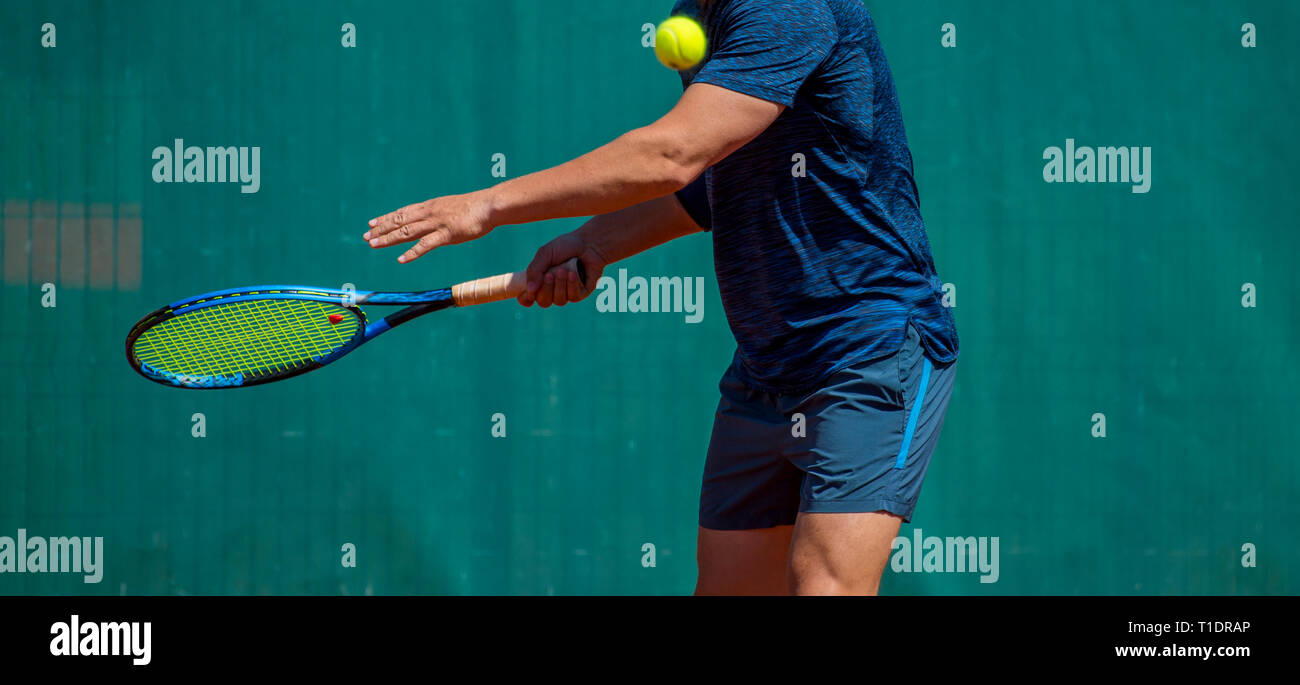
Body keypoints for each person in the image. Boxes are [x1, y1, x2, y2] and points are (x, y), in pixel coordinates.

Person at [363, 0, 958, 595]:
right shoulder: (698, 12)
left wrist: (488, 205)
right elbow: (713, 181)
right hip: (765, 365)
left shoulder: (785, 6)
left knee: (826, 585)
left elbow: (673, 154)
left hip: (867, 346)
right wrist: (594, 241)